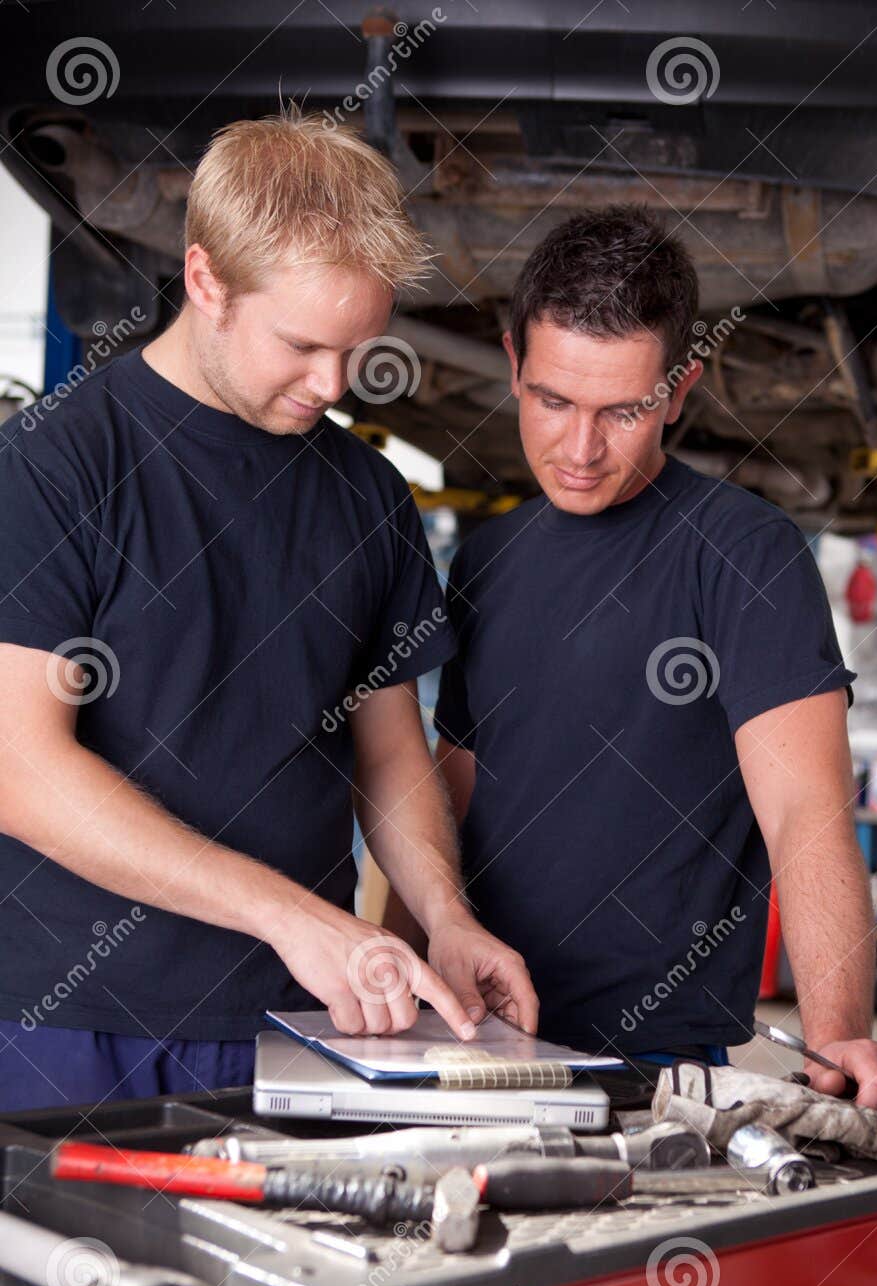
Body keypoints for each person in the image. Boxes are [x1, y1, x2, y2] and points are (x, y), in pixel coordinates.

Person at [0, 113, 536, 1111]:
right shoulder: (54, 467)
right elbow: (20, 769)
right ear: (206, 281)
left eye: (356, 347)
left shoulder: (367, 500)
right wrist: (291, 916)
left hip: (299, 1026)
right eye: (301, 343)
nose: (333, 384)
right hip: (67, 1022)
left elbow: (386, 753)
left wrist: (443, 915)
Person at [391, 207, 877, 1122]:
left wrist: (838, 1036)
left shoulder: (744, 554)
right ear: (514, 361)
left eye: (622, 410)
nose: (580, 449)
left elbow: (805, 813)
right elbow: (453, 791)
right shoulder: (487, 559)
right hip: (470, 1033)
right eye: (553, 400)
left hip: (650, 1066)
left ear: (679, 390)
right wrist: (394, 981)